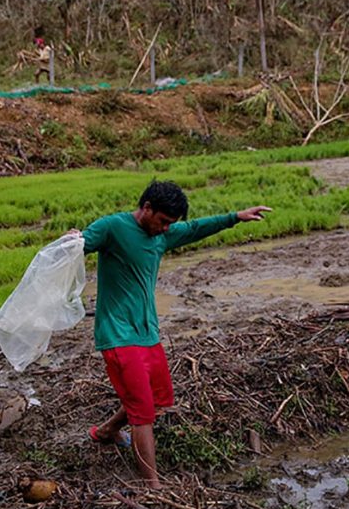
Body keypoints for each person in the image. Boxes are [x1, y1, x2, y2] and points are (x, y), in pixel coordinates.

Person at [74, 181, 271, 489]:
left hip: (147, 333)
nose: (166, 229)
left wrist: (235, 216)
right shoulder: (113, 227)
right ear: (147, 208)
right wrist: (72, 240)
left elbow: (194, 229)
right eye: (163, 221)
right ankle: (153, 487)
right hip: (118, 335)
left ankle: (107, 431)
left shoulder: (160, 235)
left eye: (170, 224)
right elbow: (80, 243)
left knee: (155, 401)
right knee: (143, 416)